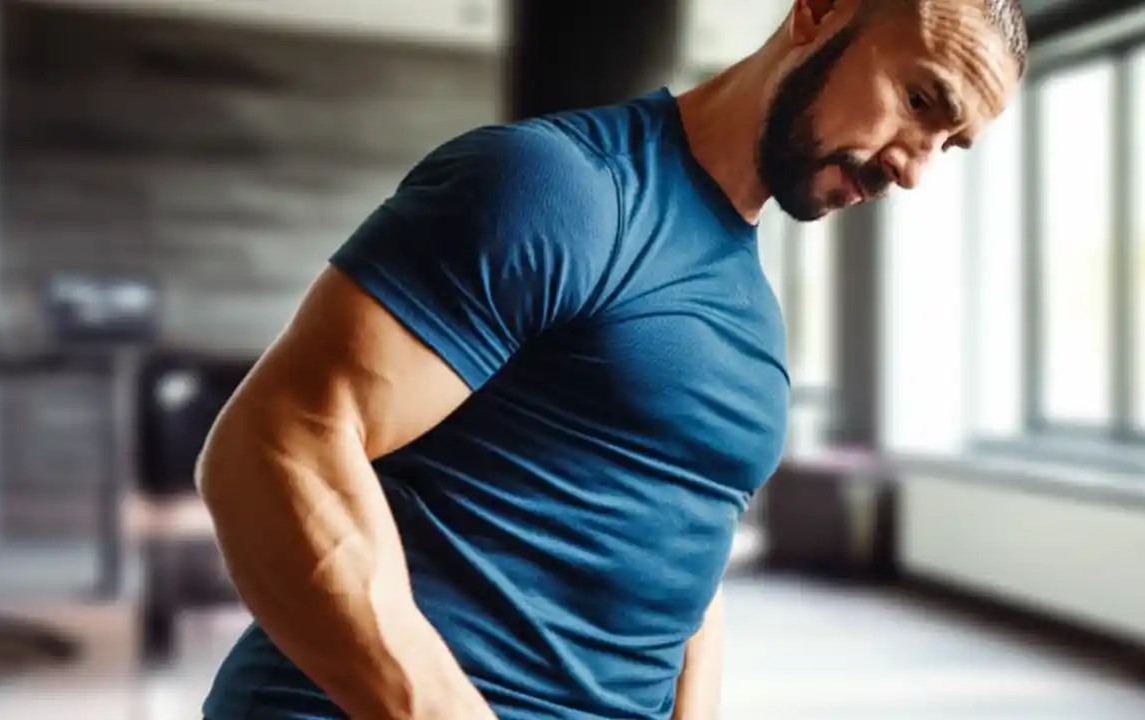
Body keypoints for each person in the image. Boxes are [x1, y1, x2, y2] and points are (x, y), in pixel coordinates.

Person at [198, 0, 1027, 718]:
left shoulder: (752, 315)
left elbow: (684, 568)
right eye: (919, 99)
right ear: (816, 10)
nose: (914, 167)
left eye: (947, 143)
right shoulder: (563, 188)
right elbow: (281, 444)